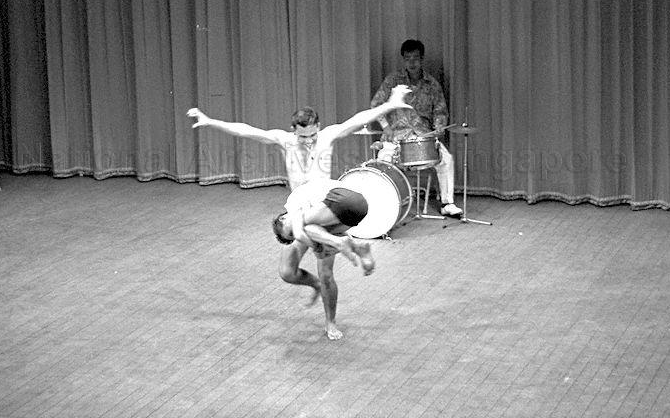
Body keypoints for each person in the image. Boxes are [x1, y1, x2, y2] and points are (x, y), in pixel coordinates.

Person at [186, 85, 412, 190]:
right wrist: (211, 121)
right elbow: (247, 130)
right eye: (303, 137)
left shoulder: (327, 135)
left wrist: (390, 105)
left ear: (318, 127)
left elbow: (356, 119)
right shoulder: (285, 140)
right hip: (298, 203)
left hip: (323, 199)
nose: (309, 141)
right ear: (293, 130)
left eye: (312, 135)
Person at [272, 178, 375, 340]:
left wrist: (318, 247)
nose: (293, 235)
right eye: (290, 236)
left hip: (339, 207)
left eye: (290, 232)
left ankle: (330, 322)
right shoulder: (296, 223)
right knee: (287, 272)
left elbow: (300, 231)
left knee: (326, 273)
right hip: (337, 216)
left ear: (284, 217)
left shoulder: (294, 205)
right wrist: (318, 246)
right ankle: (317, 284)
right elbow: (299, 235)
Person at [370, 39, 463, 217]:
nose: (411, 63)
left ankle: (447, 203)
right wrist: (386, 127)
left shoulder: (432, 84)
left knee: (446, 159)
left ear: (422, 59)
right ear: (403, 60)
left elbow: (440, 110)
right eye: (407, 59)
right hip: (397, 135)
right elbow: (376, 104)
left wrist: (439, 128)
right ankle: (383, 207)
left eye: (415, 58)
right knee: (383, 159)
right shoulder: (393, 81)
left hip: (424, 136)